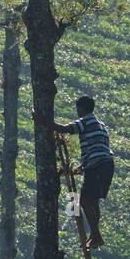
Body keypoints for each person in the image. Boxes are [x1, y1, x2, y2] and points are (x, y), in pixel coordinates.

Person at [39, 95, 114, 250]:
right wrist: (83, 165)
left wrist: (42, 120)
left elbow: (65, 129)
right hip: (106, 165)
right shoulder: (100, 125)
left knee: (86, 201)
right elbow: (97, 148)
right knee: (94, 202)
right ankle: (94, 236)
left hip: (97, 166)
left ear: (81, 109)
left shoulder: (85, 121)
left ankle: (97, 236)